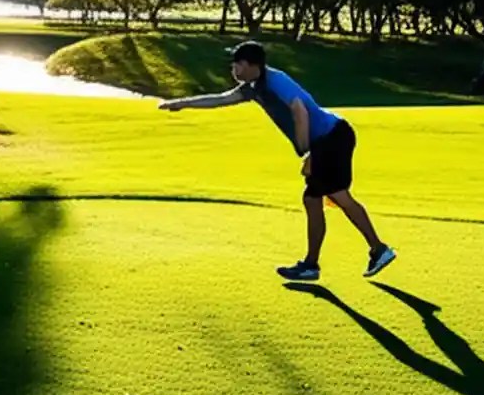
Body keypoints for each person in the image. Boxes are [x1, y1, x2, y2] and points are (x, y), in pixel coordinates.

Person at [158, 41, 396, 281]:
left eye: (238, 64)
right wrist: (182, 103)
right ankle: (361, 253)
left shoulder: (275, 80)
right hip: (329, 139)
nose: (234, 69)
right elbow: (220, 99)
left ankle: (350, 256)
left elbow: (299, 110)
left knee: (322, 197)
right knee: (328, 197)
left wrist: (305, 151)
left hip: (332, 137)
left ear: (253, 65)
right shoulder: (252, 87)